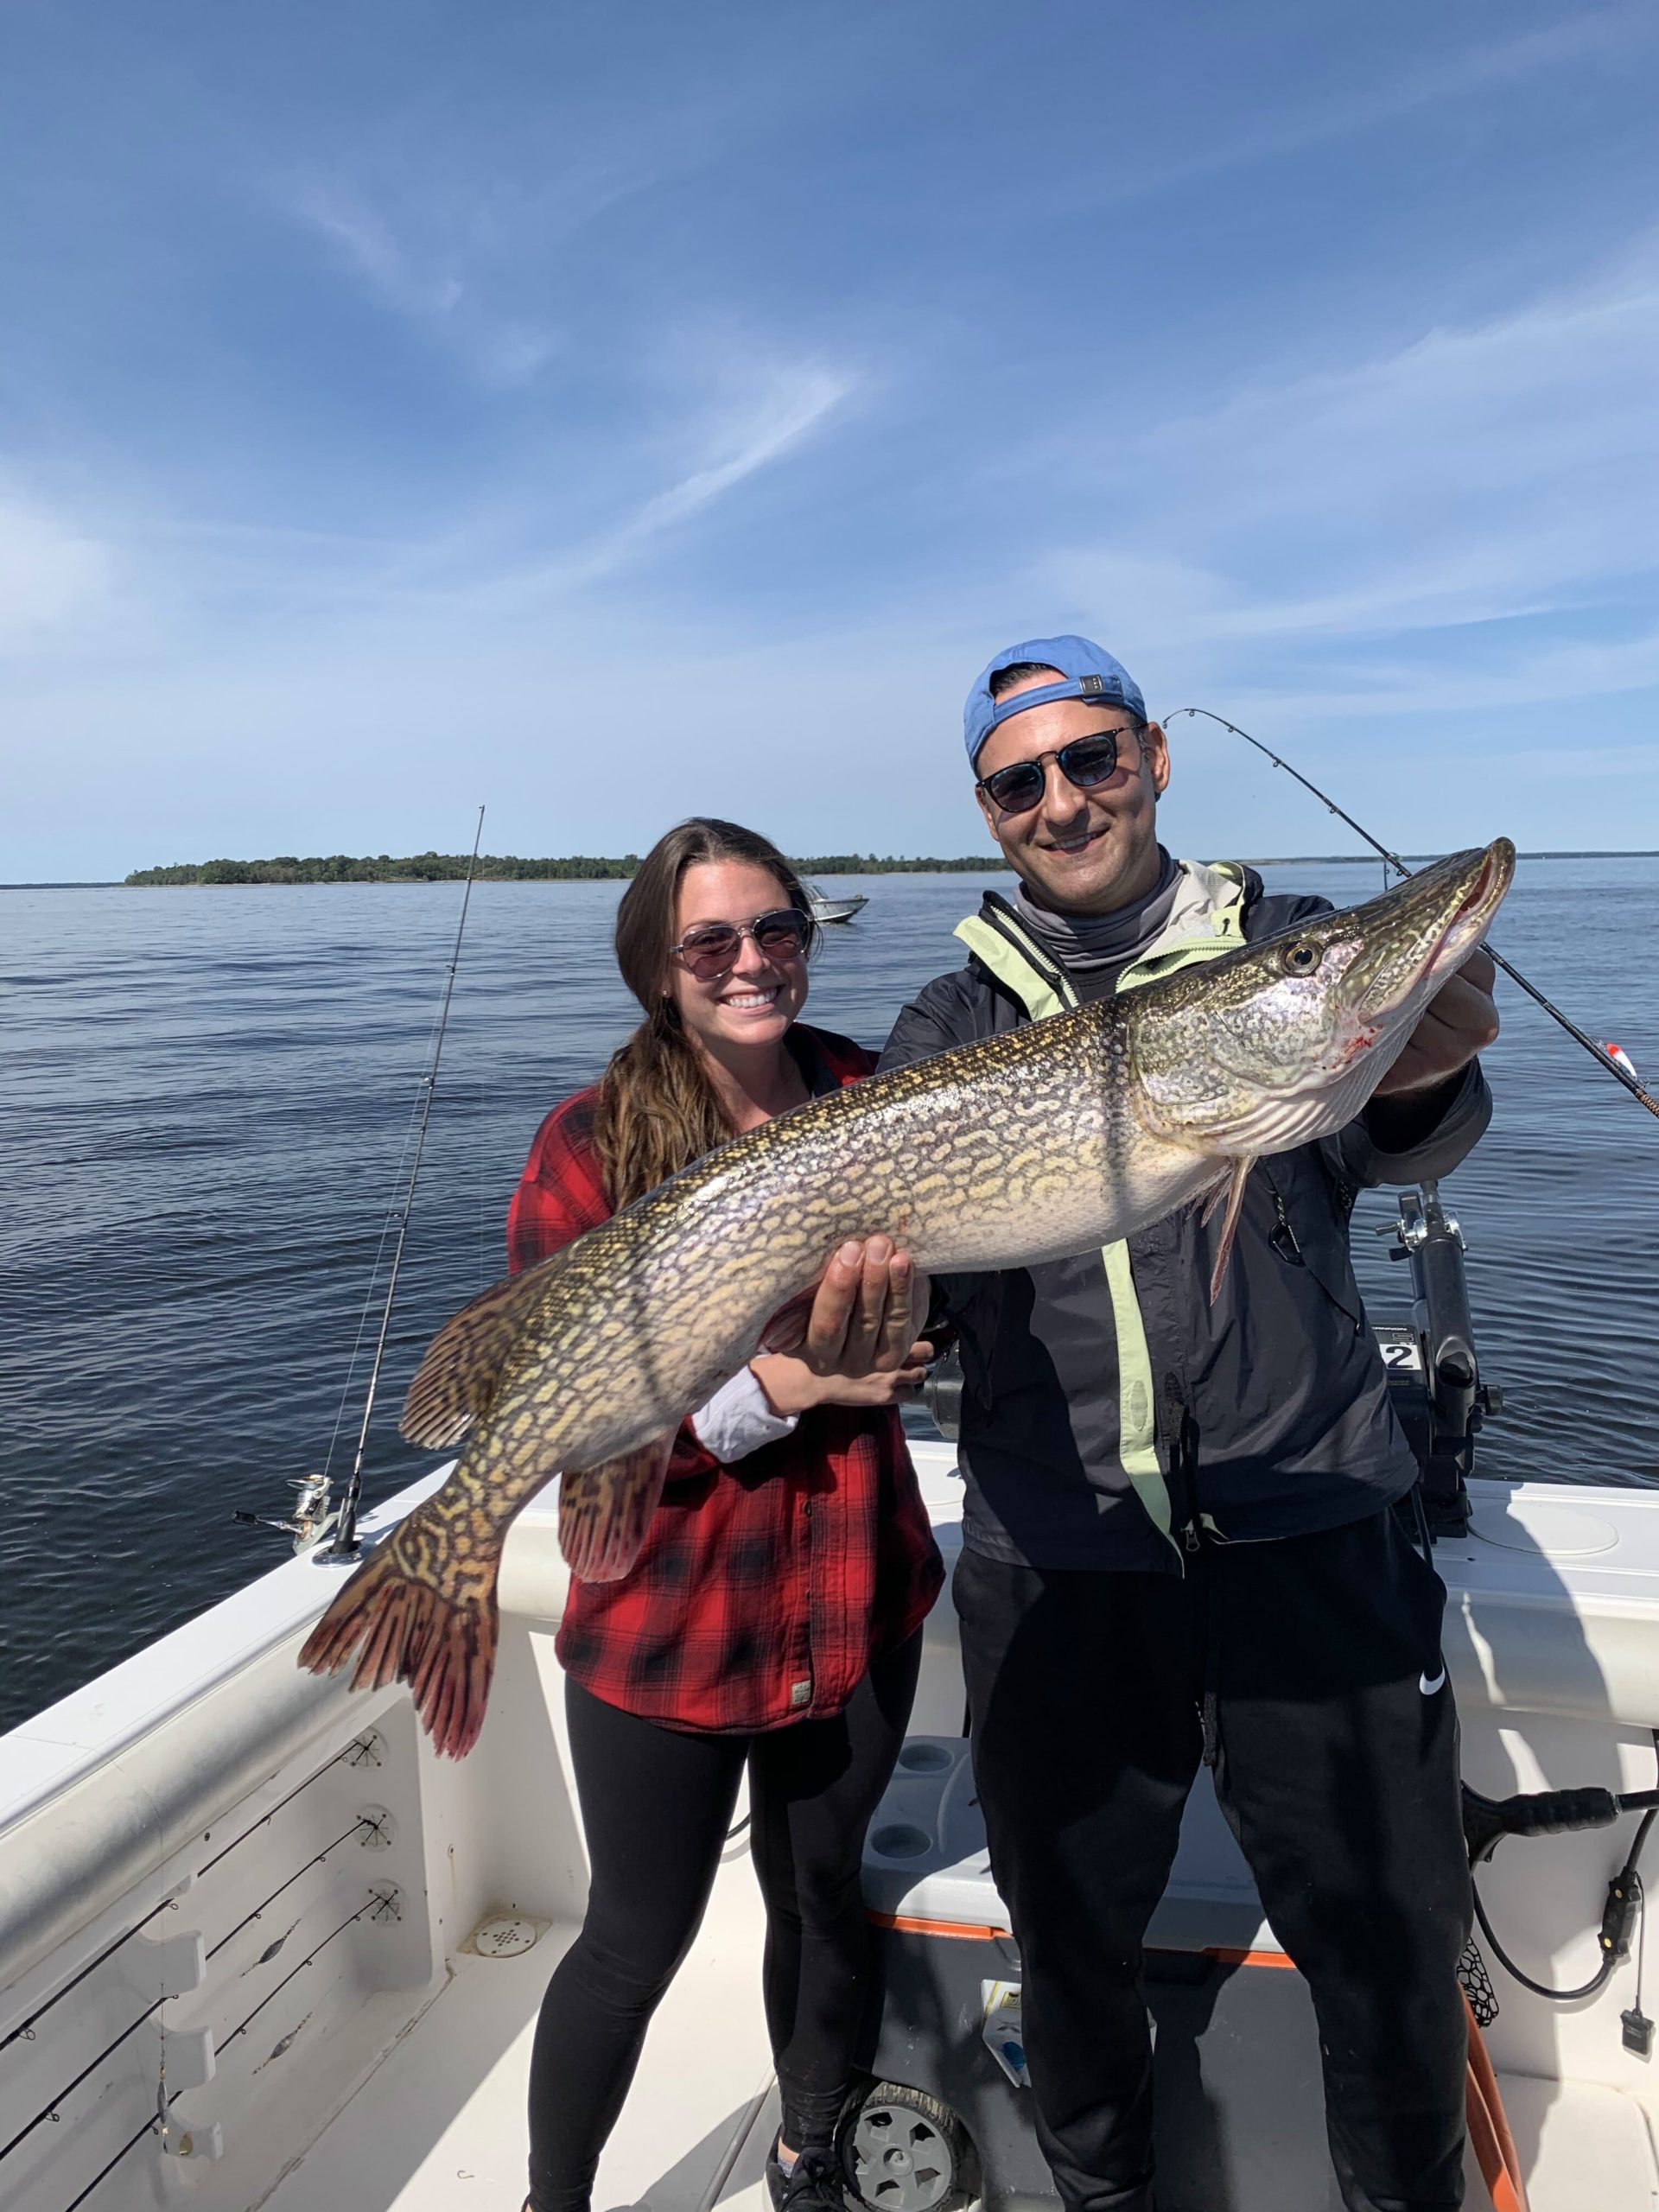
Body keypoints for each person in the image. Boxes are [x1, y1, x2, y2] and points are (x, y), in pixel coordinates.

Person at [878, 637, 1500, 2212]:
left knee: (1385, 1948)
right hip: (1061, 1548)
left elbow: (1400, 1142)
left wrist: (1419, 1072)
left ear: (1155, 757)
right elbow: (928, 1308)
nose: (1064, 798)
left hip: (1311, 1521)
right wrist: (873, 1323)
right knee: (1072, 1957)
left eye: (1093, 758)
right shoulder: (946, 1026)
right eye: (1022, 779)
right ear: (986, 805)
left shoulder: (1288, 947)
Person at [510, 817, 944, 2212]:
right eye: (713, 940)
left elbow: (973, 1294)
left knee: (827, 1903)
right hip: (667, 1618)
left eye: (780, 931)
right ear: (659, 967)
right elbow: (574, 1425)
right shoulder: (584, 1149)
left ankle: (810, 2155)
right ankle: (553, 2202)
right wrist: (780, 1386)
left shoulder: (882, 1092)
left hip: (853, 1591)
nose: (753, 961)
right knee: (635, 1940)